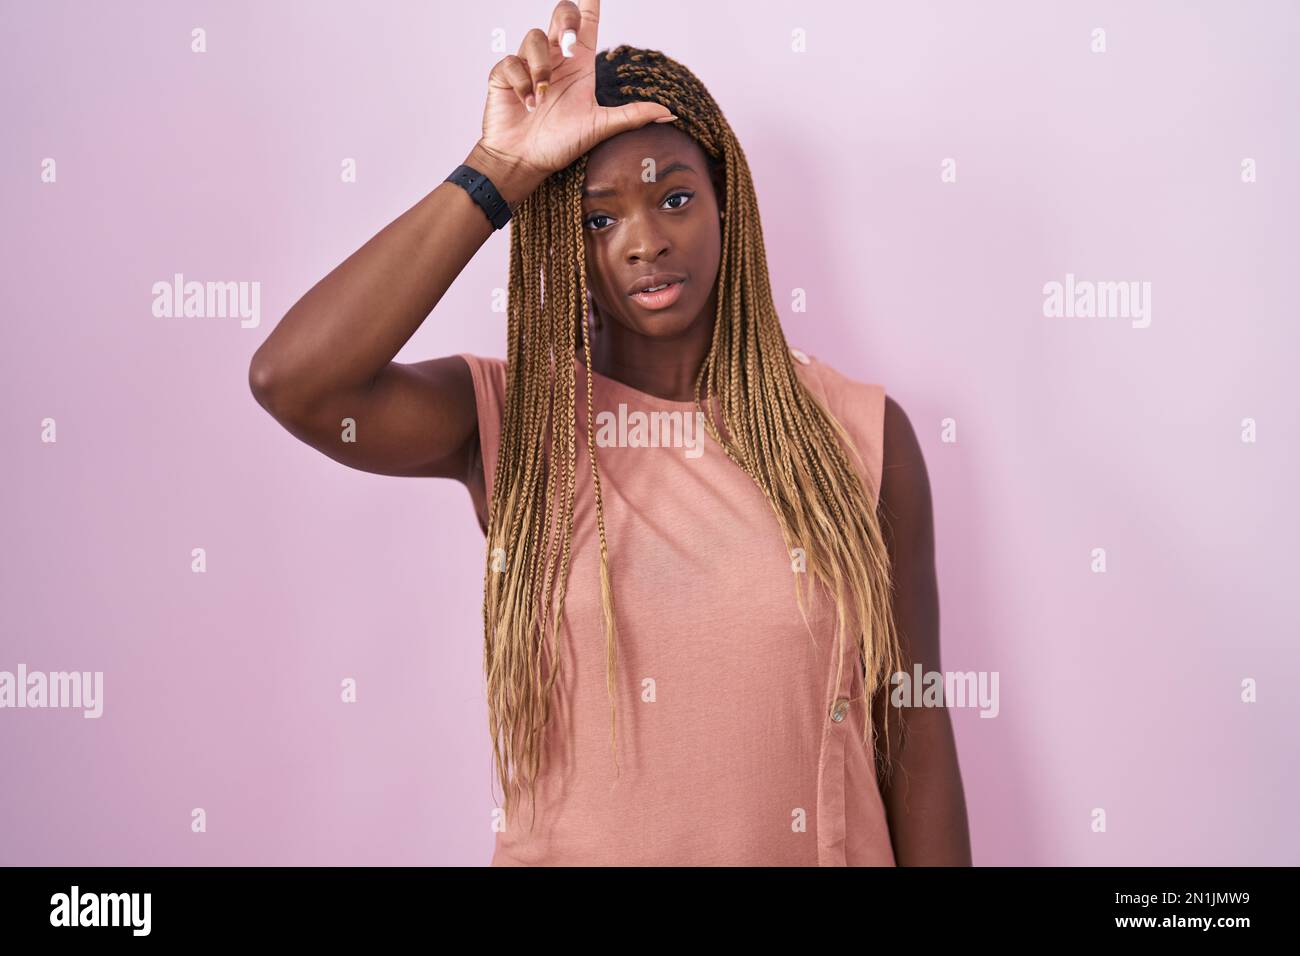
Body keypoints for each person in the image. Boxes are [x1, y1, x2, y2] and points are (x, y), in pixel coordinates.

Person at [248, 0, 971, 866]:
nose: (644, 241)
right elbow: (294, 382)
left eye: (674, 197)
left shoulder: (859, 436)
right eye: (599, 217)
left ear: (726, 205)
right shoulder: (516, 421)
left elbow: (915, 717)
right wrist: (496, 172)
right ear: (561, 238)